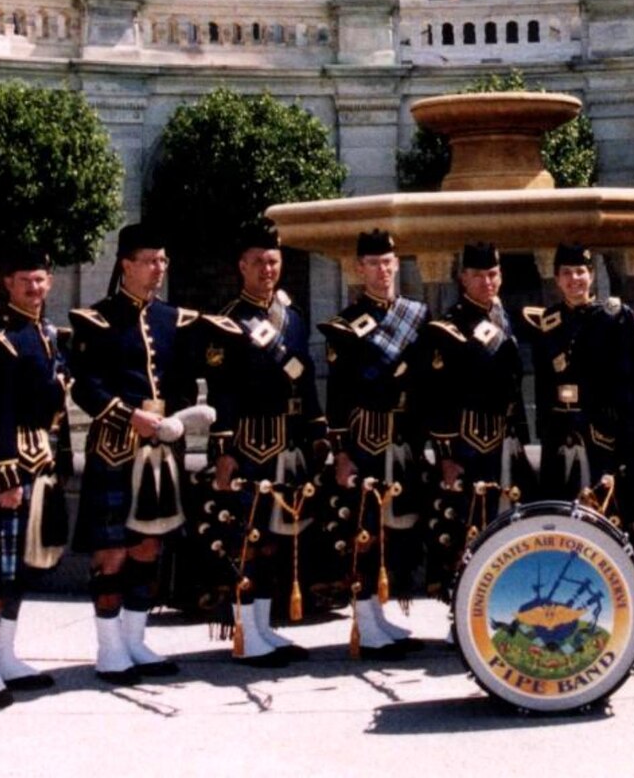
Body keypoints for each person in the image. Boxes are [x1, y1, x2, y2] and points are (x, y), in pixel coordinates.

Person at [69, 222, 218, 681]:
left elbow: (187, 379)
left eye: (163, 260)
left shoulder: (175, 320)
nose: (159, 269)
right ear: (126, 265)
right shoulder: (95, 320)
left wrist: (183, 416)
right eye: (150, 261)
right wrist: (127, 416)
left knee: (148, 546)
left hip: (160, 452)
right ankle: (109, 648)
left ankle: (135, 640)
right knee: (112, 550)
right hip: (115, 449)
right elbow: (85, 387)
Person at [207, 219, 326, 665]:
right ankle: (244, 632)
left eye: (273, 261)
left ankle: (263, 627)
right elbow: (221, 392)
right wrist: (223, 453)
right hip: (249, 444)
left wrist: (317, 431)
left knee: (277, 540)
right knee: (248, 538)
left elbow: (305, 379)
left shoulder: (292, 318)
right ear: (242, 266)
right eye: (257, 261)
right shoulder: (229, 321)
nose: (266, 269)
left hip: (288, 444)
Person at [0, 247, 72, 703]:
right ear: (8, 283)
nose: (34, 287)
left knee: (21, 571)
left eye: (40, 279)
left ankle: (5, 656)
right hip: (5, 470)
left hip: (41, 464)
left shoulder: (48, 334)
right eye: (25, 280)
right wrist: (5, 477)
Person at [320, 228, 430, 653]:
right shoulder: (345, 324)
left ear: (396, 264)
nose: (382, 271)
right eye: (373, 264)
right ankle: (365, 625)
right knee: (364, 533)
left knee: (396, 533)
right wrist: (341, 452)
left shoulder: (417, 314)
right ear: (359, 268)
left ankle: (380, 616)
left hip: (405, 440)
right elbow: (337, 395)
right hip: (365, 440)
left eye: (387, 262)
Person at [423, 242, 532, 591]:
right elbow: (438, 397)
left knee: (507, 525)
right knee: (466, 528)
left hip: (504, 440)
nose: (487, 282)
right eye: (479, 276)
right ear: (463, 279)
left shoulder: (502, 317)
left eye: (493, 274)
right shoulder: (448, 327)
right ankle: (462, 603)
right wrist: (445, 456)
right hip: (467, 445)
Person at [522, 244, 634, 508]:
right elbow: (543, 382)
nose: (574, 279)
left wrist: (627, 435)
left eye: (580, 272)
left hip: (600, 431)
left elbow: (629, 381)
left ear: (591, 275)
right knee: (558, 507)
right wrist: (544, 429)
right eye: (566, 273)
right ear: (557, 278)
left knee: (604, 508)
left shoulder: (614, 317)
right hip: (559, 432)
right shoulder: (548, 320)